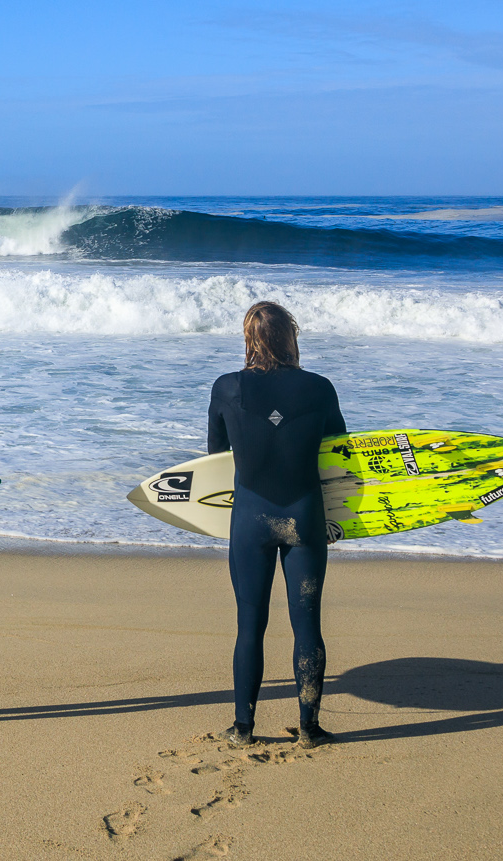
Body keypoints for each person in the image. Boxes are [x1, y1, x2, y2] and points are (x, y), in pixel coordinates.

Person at [208, 300, 345, 749]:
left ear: (248, 340)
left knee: (250, 625)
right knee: (307, 623)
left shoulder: (227, 388)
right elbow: (340, 453)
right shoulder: (320, 389)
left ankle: (243, 729)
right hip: (304, 517)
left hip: (250, 520)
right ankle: (309, 728)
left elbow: (213, 456)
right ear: (291, 336)